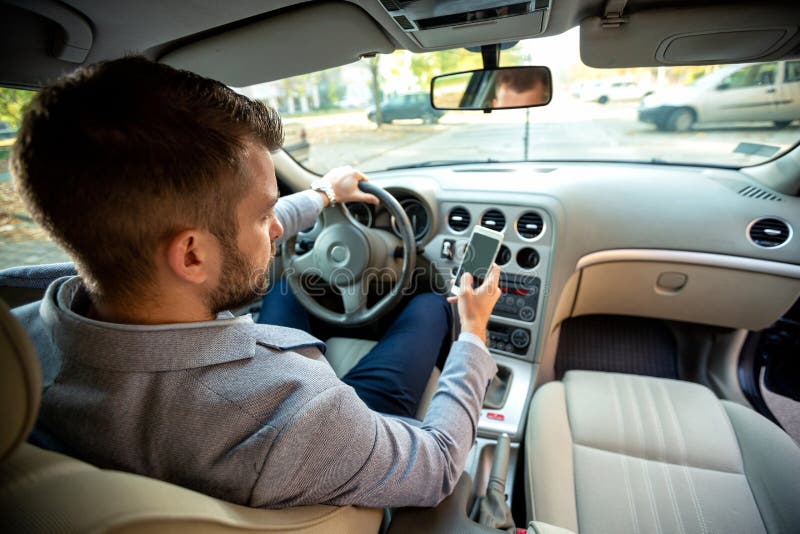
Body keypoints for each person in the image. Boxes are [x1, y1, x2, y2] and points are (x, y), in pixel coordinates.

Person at [10, 56, 501, 508]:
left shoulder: (19, 341)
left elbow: (224, 227)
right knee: (431, 304)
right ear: (192, 255)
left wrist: (323, 194)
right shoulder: (302, 411)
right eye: (264, 213)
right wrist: (475, 334)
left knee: (289, 283)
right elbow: (436, 465)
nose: (277, 228)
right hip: (344, 438)